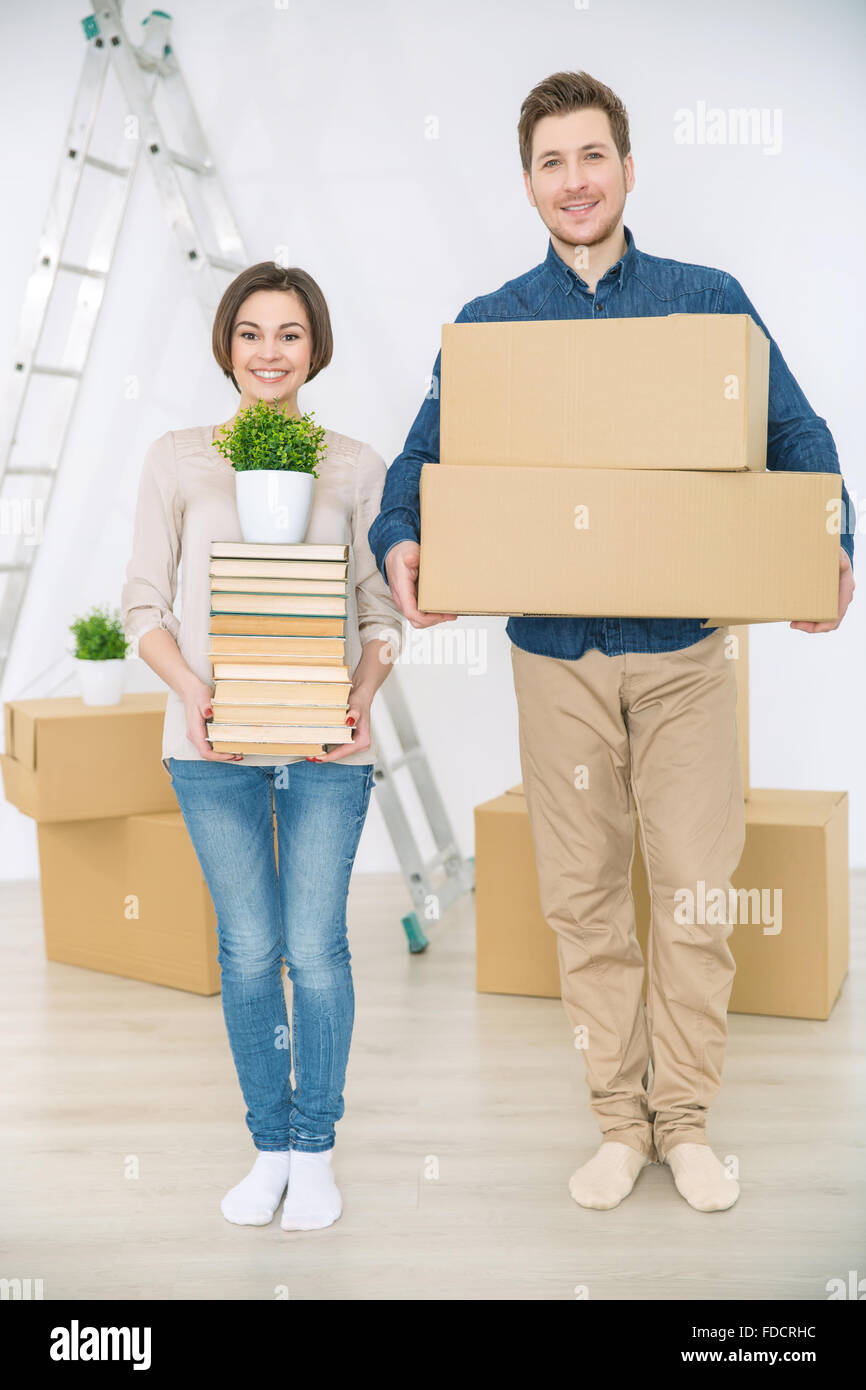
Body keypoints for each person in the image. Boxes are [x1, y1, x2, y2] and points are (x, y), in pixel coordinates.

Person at [368, 70, 856, 1214]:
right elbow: (412, 469)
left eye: (592, 157)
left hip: (684, 654)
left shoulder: (705, 300)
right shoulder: (491, 327)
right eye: (550, 162)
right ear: (527, 183)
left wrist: (826, 542)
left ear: (627, 170)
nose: (573, 181)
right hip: (555, 660)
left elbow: (797, 434)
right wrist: (401, 540)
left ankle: (682, 1123)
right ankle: (615, 1122)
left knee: (691, 895)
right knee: (581, 902)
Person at [121, 262, 403, 1230]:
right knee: (248, 949)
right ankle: (269, 1145)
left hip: (327, 746)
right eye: (250, 332)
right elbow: (142, 605)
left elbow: (378, 609)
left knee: (315, 948)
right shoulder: (176, 457)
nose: (269, 352)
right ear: (225, 345)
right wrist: (192, 691)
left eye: (289, 333)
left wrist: (362, 694)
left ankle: (315, 1149)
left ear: (314, 346)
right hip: (210, 747)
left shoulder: (355, 464)